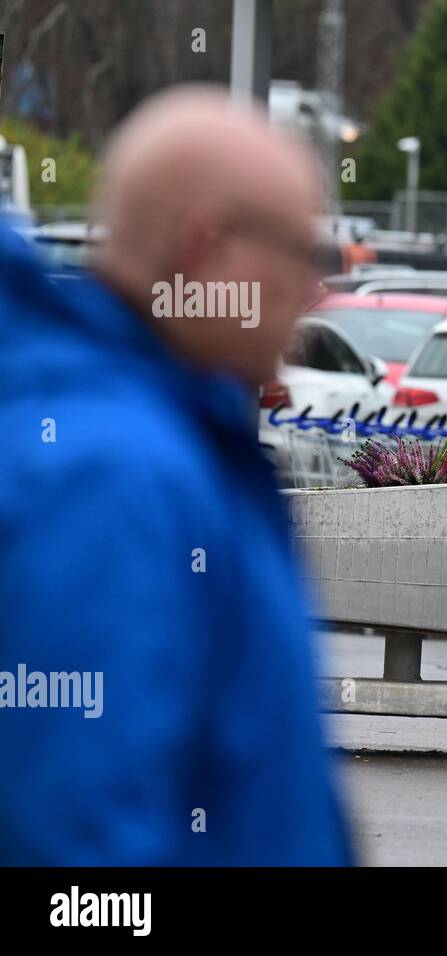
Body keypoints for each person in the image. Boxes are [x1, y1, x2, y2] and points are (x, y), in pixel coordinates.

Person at [0, 87, 353, 864]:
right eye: (304, 254)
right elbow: (79, 855)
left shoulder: (151, 443)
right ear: (206, 247)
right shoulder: (111, 477)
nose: (315, 289)